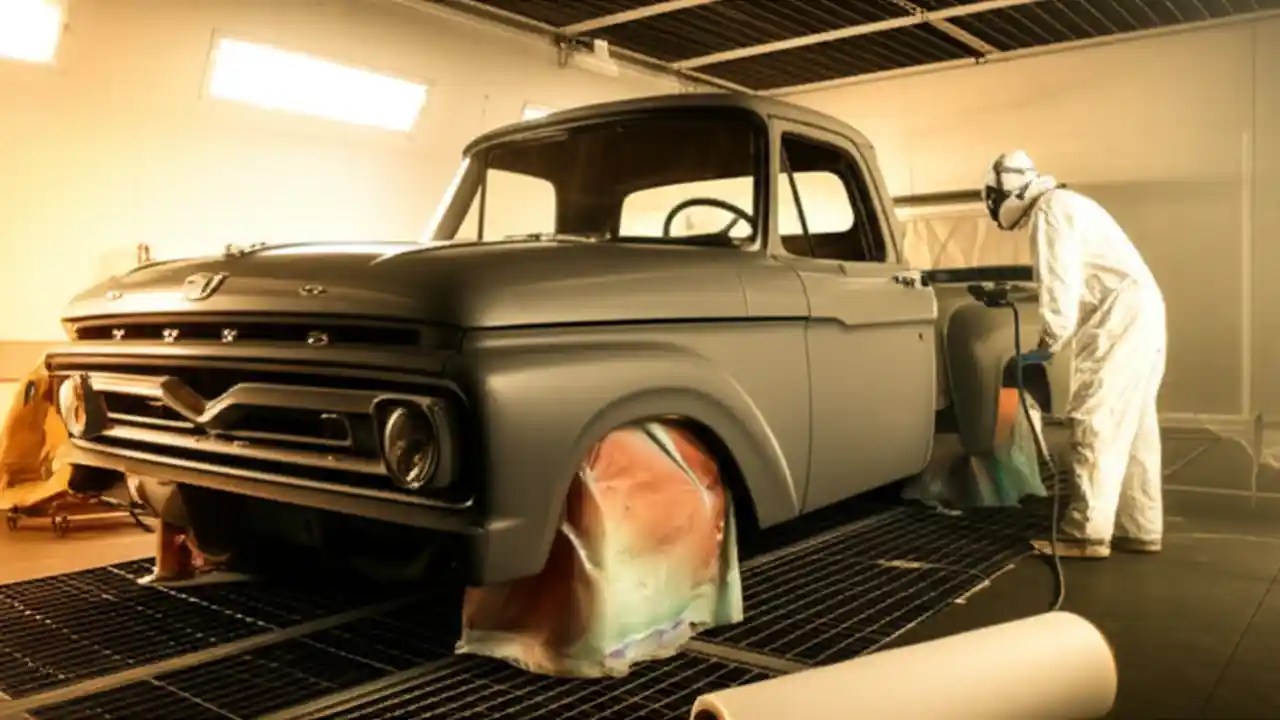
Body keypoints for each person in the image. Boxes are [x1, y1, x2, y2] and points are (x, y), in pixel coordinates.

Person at [981, 150, 1167, 559]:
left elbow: (1060, 283)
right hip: (1144, 310)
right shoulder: (1072, 204)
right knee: (1134, 426)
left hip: (1119, 317)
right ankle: (1141, 527)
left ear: (1007, 190)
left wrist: (1045, 345)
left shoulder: (1050, 210)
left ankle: (1085, 533)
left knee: (1094, 419)